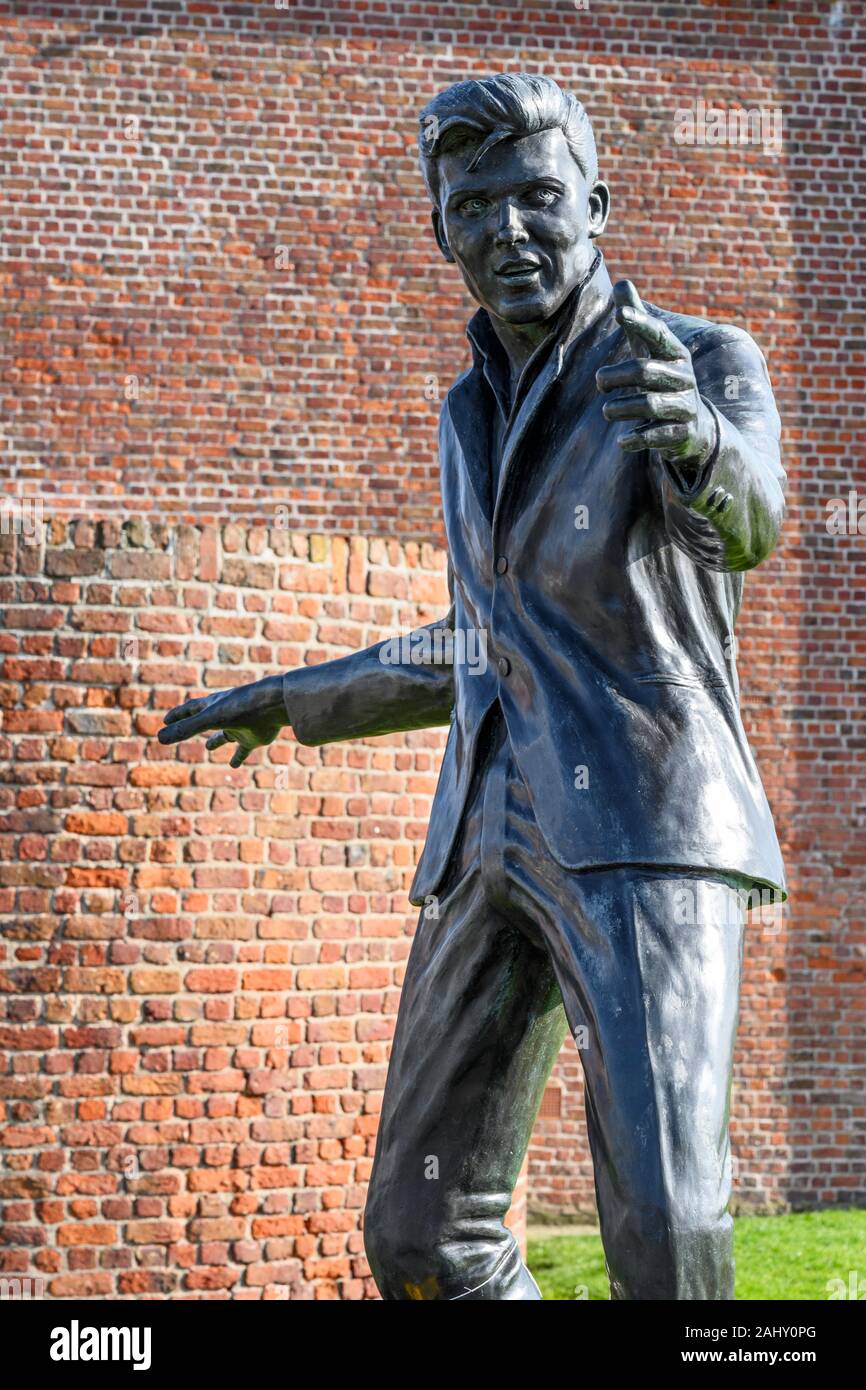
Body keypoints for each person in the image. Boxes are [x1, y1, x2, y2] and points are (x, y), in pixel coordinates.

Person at [159, 73, 787, 1300]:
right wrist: (296, 698)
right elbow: (479, 640)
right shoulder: (466, 410)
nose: (507, 232)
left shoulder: (696, 359)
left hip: (644, 829)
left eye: (537, 199)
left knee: (666, 1218)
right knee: (417, 1230)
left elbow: (753, 517)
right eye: (473, 207)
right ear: (441, 226)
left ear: (595, 204)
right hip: (484, 842)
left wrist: (700, 447)